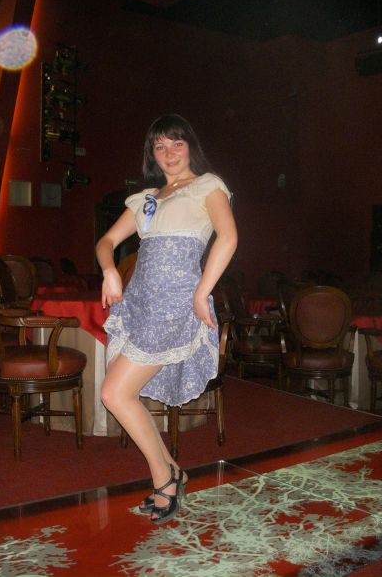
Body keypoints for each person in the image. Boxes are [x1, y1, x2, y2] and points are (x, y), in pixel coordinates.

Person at [95, 114, 238, 524]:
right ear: (152, 154)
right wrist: (109, 269)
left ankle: (166, 477)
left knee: (114, 394)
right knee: (119, 394)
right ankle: (172, 472)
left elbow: (228, 237)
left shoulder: (207, 185)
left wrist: (202, 292)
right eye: (160, 146)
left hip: (174, 305)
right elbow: (106, 241)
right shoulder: (147, 199)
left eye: (176, 143)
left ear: (190, 146)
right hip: (139, 304)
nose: (169, 153)